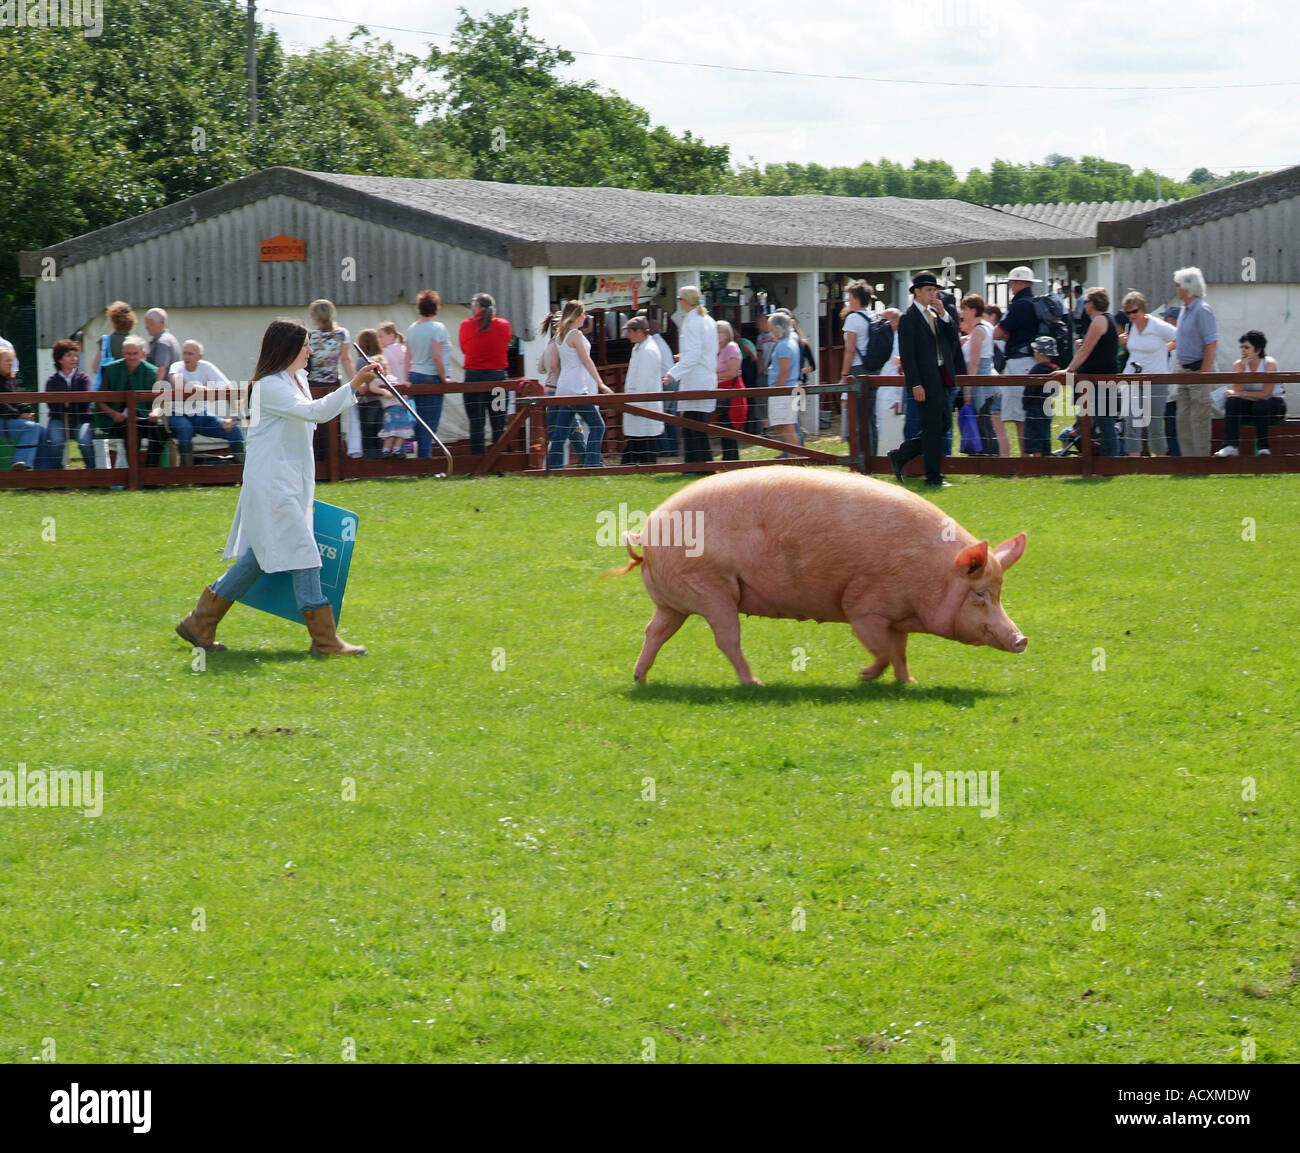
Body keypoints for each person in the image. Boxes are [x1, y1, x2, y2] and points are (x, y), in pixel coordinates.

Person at [175, 319, 382, 657]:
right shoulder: (271, 386)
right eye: (305, 347)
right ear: (287, 349)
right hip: (272, 486)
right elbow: (315, 412)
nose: (311, 352)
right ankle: (325, 640)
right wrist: (356, 383)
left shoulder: (295, 379)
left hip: (286, 483)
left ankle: (199, 622)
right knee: (305, 554)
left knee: (257, 558)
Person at [888, 270, 965, 488]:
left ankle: (902, 454)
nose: (933, 294)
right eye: (929, 290)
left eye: (935, 290)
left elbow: (953, 339)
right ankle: (933, 477)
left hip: (941, 378)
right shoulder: (908, 318)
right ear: (918, 292)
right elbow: (908, 355)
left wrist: (944, 315)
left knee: (942, 426)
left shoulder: (935, 314)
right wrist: (915, 384)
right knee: (933, 428)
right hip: (925, 381)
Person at [1057, 287, 1121, 456]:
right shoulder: (1108, 319)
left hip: (1100, 381)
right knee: (1102, 422)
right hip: (1102, 380)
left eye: (1086, 302)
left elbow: (1086, 350)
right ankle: (1106, 464)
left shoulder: (1099, 320)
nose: (1085, 305)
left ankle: (1108, 465)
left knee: (1105, 424)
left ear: (1092, 304)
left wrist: (1068, 370)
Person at [548, 301, 612, 468]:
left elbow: (554, 365)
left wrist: (565, 378)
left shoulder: (559, 336)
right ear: (576, 315)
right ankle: (592, 465)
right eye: (584, 314)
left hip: (563, 389)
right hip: (577, 389)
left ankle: (553, 469)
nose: (585, 317)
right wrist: (601, 383)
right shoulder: (575, 334)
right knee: (598, 425)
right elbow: (586, 360)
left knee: (560, 434)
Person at [164, 341, 245, 465]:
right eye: (184, 353)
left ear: (199, 357)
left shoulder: (206, 367)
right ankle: (187, 477)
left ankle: (242, 474)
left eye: (190, 354)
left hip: (201, 415)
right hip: (177, 414)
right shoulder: (177, 366)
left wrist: (234, 418)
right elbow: (176, 383)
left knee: (234, 430)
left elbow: (229, 388)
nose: (186, 357)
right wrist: (198, 388)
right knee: (186, 428)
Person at [662, 286, 717, 465]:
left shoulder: (693, 322)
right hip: (704, 375)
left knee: (694, 424)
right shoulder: (707, 319)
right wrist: (683, 357)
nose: (678, 302)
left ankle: (700, 464)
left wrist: (673, 373)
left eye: (679, 298)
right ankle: (696, 463)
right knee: (693, 423)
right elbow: (701, 351)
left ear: (684, 300)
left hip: (696, 378)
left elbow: (694, 354)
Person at [1118, 292, 1177, 456]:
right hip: (1132, 379)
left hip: (1156, 380)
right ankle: (1134, 466)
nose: (1131, 315)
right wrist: (1121, 341)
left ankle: (1159, 464)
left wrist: (1166, 349)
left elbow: (1180, 337)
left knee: (1155, 425)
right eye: (1127, 313)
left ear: (1143, 309)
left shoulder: (1157, 325)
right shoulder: (1130, 327)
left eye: (1134, 311)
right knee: (1131, 422)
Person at [96, 336, 168, 468]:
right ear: (123, 353)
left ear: (143, 354)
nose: (132, 357)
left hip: (144, 418)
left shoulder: (152, 372)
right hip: (117, 421)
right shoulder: (111, 370)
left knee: (160, 431)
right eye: (128, 353)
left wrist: (155, 413)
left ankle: (150, 472)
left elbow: (160, 400)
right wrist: (113, 414)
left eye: (135, 353)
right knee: (132, 431)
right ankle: (134, 474)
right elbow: (100, 400)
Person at [992, 266, 1041, 454]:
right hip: (1032, 361)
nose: (1010, 286)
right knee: (1027, 413)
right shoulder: (1035, 303)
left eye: (1012, 282)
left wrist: (1008, 336)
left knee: (1020, 414)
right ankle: (1031, 457)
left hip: (1020, 362)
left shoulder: (1020, 305)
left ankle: (1024, 458)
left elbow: (997, 333)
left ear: (1019, 283)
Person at [1171, 266, 1219, 457]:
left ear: (1187, 287)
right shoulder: (1184, 309)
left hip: (1198, 370)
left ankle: (1200, 462)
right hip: (1183, 371)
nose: (1176, 288)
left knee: (1198, 419)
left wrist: (1203, 374)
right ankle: (1187, 461)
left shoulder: (1202, 310)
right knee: (1182, 418)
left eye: (1178, 285)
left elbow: (1211, 342)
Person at [306, 299, 363, 458]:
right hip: (333, 382)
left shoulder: (310, 335)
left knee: (315, 421)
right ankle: (334, 459)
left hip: (313, 383)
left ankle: (317, 461)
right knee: (333, 422)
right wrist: (355, 381)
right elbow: (345, 359)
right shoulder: (342, 333)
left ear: (314, 316)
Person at [460, 292, 512, 457]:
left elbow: (464, 349)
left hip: (474, 378)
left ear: (476, 307)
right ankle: (499, 460)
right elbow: (506, 345)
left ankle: (477, 462)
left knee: (476, 422)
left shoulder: (466, 325)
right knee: (499, 422)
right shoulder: (504, 325)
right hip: (497, 378)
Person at [1216, 330, 1283, 456]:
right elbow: (1236, 392)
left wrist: (1241, 394)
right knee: (1232, 402)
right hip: (1250, 405)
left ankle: (1263, 448)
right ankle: (1231, 446)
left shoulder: (1269, 364)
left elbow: (1266, 394)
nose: (1243, 350)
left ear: (1257, 350)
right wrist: (1242, 369)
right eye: (1242, 347)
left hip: (1273, 406)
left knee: (1260, 404)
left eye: (1247, 347)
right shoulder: (1238, 365)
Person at [405, 290, 451, 459]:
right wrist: (444, 378)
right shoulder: (438, 328)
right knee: (429, 424)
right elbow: (436, 356)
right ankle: (425, 462)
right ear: (436, 307)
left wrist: (406, 378)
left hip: (414, 376)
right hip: (431, 377)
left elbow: (407, 357)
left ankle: (415, 460)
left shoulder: (411, 329)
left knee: (415, 422)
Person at [959, 292, 1007, 456]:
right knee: (986, 421)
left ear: (973, 310)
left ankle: (989, 458)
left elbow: (974, 363)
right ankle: (990, 457)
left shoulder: (979, 331)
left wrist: (968, 389)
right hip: (988, 379)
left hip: (980, 382)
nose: (962, 313)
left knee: (982, 422)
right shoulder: (985, 327)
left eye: (964, 309)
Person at [358, 328, 413, 458]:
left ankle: (394, 451)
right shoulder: (376, 378)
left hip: (396, 406)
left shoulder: (389, 377)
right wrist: (383, 392)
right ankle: (382, 453)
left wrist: (404, 385)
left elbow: (396, 384)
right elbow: (372, 386)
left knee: (399, 432)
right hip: (386, 407)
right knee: (387, 432)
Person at [41, 338, 96, 469]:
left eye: (75, 355)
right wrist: (68, 402)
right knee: (55, 442)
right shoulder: (52, 381)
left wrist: (68, 401)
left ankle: (93, 474)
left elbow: (87, 398)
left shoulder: (83, 378)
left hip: (82, 419)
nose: (74, 359)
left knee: (85, 442)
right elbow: (52, 404)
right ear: (59, 359)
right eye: (69, 355)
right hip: (58, 419)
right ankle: (58, 476)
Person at [621, 316, 664, 464]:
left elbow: (643, 381)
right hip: (637, 406)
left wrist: (635, 404)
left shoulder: (648, 351)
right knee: (636, 442)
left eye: (630, 332)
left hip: (642, 406)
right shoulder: (639, 348)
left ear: (639, 332)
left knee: (645, 445)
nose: (628, 335)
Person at [0, 347, 48, 471]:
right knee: (32, 428)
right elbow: (2, 406)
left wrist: (26, 412)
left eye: (11, 360)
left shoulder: (10, 380)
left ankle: (42, 473)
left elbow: (18, 400)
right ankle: (19, 463)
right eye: (7, 361)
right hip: (2, 421)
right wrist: (18, 415)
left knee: (42, 430)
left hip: (10, 420)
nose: (10, 363)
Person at [762, 312, 801, 452]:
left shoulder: (784, 345)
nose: (771, 331)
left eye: (772, 328)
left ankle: (794, 459)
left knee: (787, 426)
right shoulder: (790, 342)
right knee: (786, 426)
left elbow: (784, 371)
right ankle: (793, 456)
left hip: (785, 390)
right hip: (789, 389)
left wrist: (777, 392)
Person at [715, 320, 747, 461]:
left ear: (727, 334)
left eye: (718, 331)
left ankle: (731, 460)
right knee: (723, 426)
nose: (715, 334)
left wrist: (711, 376)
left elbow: (732, 372)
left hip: (731, 392)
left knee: (730, 426)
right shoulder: (716, 349)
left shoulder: (731, 348)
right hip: (720, 391)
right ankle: (727, 459)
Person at [1022, 336, 1057, 456]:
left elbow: (1030, 389)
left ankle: (1037, 465)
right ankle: (1046, 463)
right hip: (1048, 406)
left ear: (1040, 353)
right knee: (1045, 435)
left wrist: (1026, 403)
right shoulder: (1054, 370)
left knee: (1034, 437)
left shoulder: (1037, 369)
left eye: (1035, 351)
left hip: (1034, 407)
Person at [89, 301, 136, 385]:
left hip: (110, 389)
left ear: (113, 321)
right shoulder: (136, 342)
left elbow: (96, 367)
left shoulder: (105, 341)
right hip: (130, 388)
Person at [143, 308, 183, 385]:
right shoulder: (170, 339)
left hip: (164, 391)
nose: (146, 327)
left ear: (151, 322)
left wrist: (156, 390)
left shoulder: (162, 342)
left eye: (146, 323)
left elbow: (161, 368)